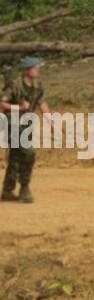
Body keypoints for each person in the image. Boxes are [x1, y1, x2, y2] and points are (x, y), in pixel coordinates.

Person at [1, 56, 50, 203]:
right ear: (27, 70)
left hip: (26, 124)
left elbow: (42, 103)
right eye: (35, 67)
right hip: (12, 123)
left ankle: (7, 191)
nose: (38, 70)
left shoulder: (37, 85)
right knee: (29, 153)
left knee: (16, 156)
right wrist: (20, 107)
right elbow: (2, 104)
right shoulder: (14, 85)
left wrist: (51, 121)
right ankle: (24, 187)